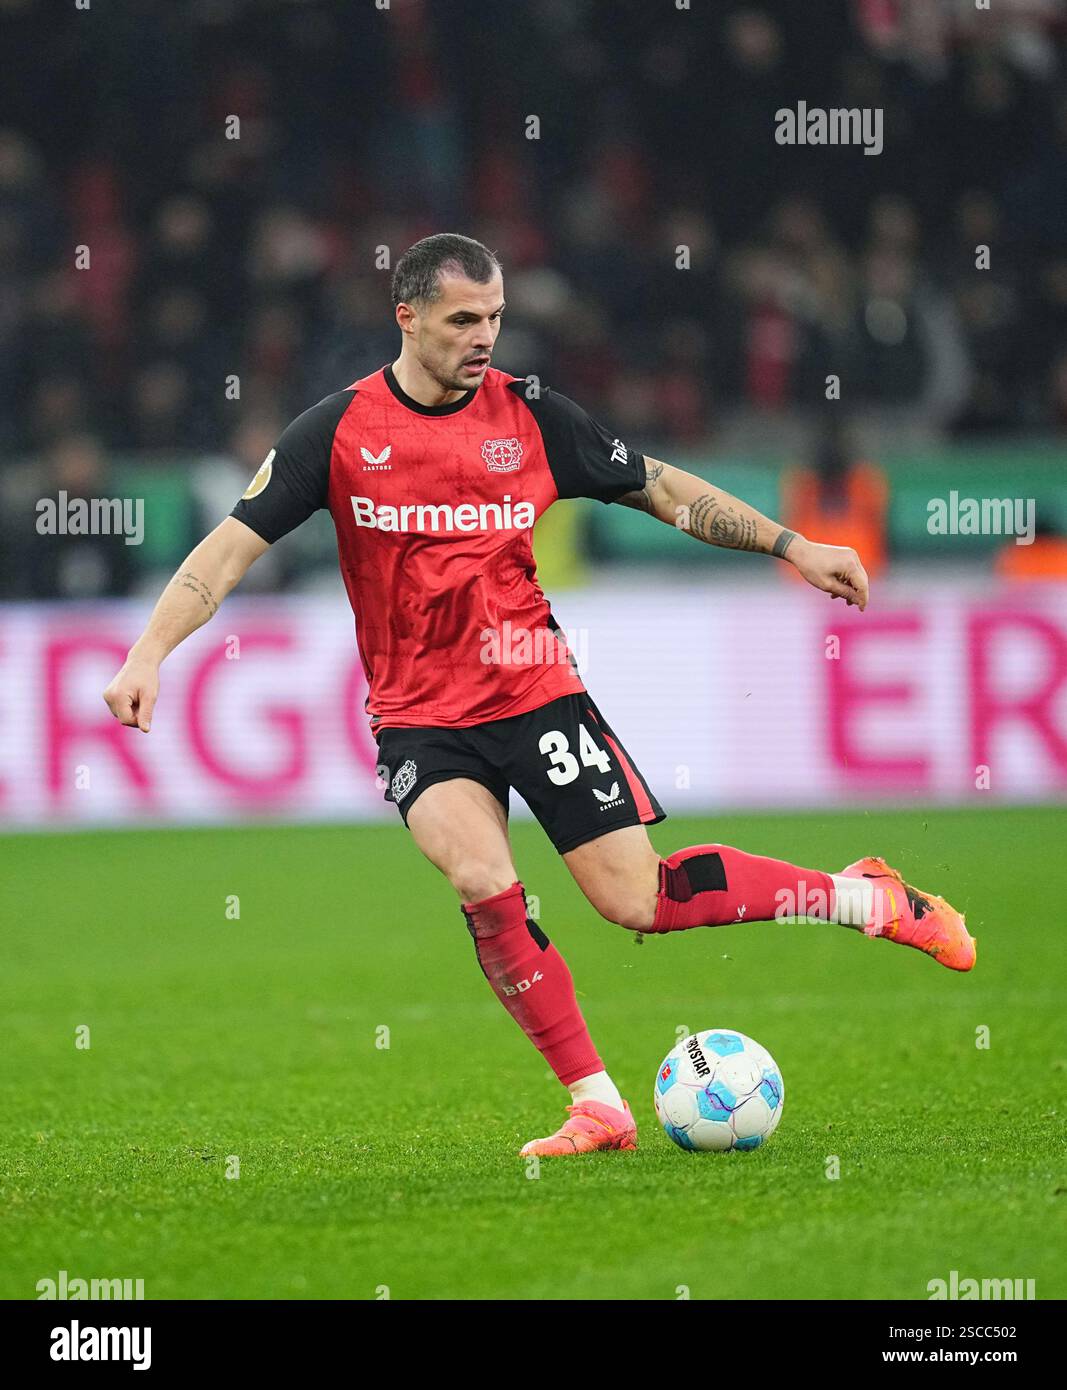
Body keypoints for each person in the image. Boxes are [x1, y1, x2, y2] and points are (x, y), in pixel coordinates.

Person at [103, 234, 976, 1158]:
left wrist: (793, 547)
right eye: (462, 320)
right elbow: (230, 548)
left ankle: (858, 898)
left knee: (639, 900)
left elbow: (661, 489)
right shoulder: (336, 432)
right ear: (406, 318)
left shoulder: (532, 416)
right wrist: (149, 652)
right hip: (418, 720)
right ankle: (597, 1103)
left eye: (494, 318)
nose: (483, 337)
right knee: (482, 879)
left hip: (535, 692)